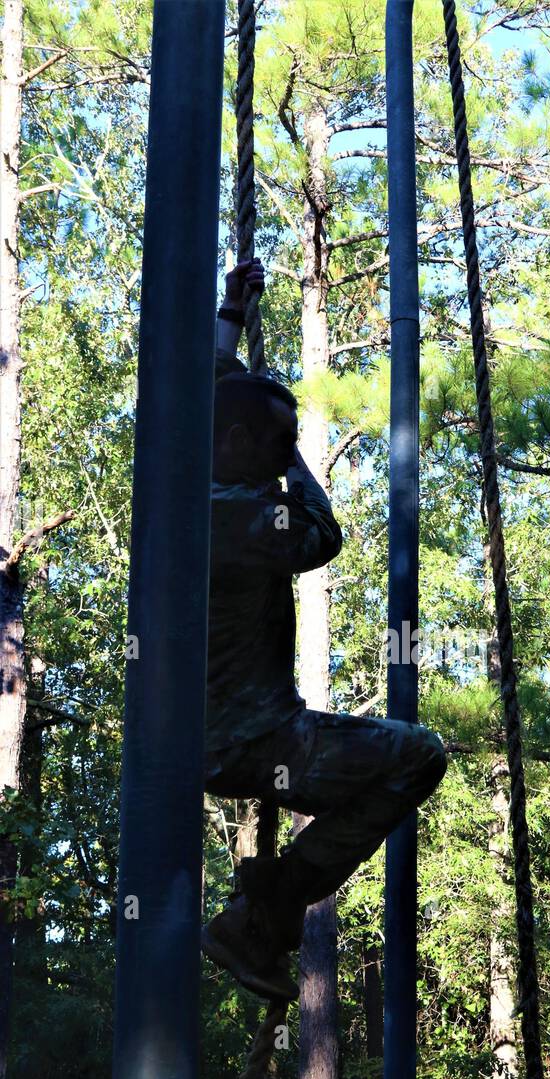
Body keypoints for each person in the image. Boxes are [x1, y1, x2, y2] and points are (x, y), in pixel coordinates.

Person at [202, 259, 448, 1001]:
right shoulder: (247, 517)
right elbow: (322, 532)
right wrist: (296, 460)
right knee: (418, 756)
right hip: (250, 739)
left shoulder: (184, 478)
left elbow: (211, 384)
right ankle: (265, 910)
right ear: (243, 439)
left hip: (206, 728)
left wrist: (232, 313)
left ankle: (262, 908)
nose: (281, 458)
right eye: (273, 444)